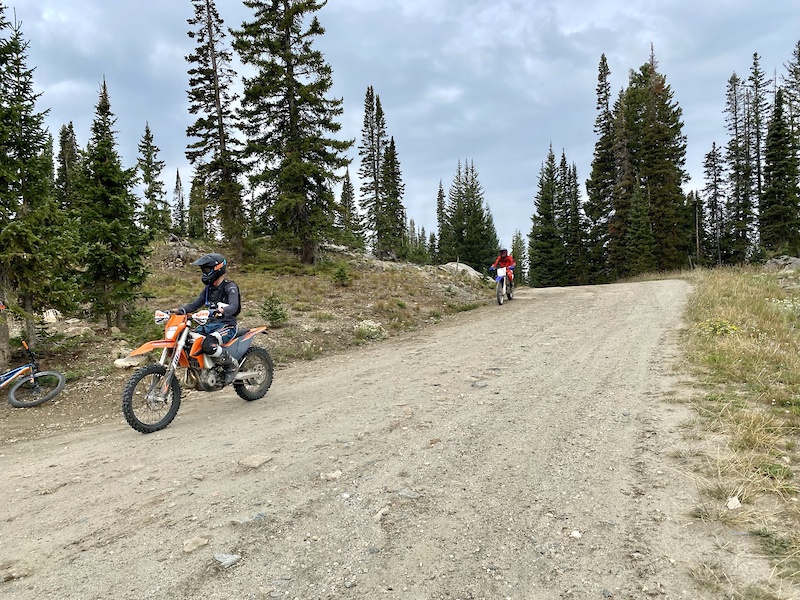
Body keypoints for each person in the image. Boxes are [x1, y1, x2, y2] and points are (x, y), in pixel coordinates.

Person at [173, 253, 241, 384]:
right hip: (209, 325)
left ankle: (231, 366)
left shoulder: (230, 286)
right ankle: (201, 369)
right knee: (186, 340)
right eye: (203, 270)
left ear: (217, 268)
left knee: (209, 344)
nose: (204, 272)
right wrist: (178, 311)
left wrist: (221, 311)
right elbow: (195, 304)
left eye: (206, 269)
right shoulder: (209, 289)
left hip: (227, 326)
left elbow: (234, 306)